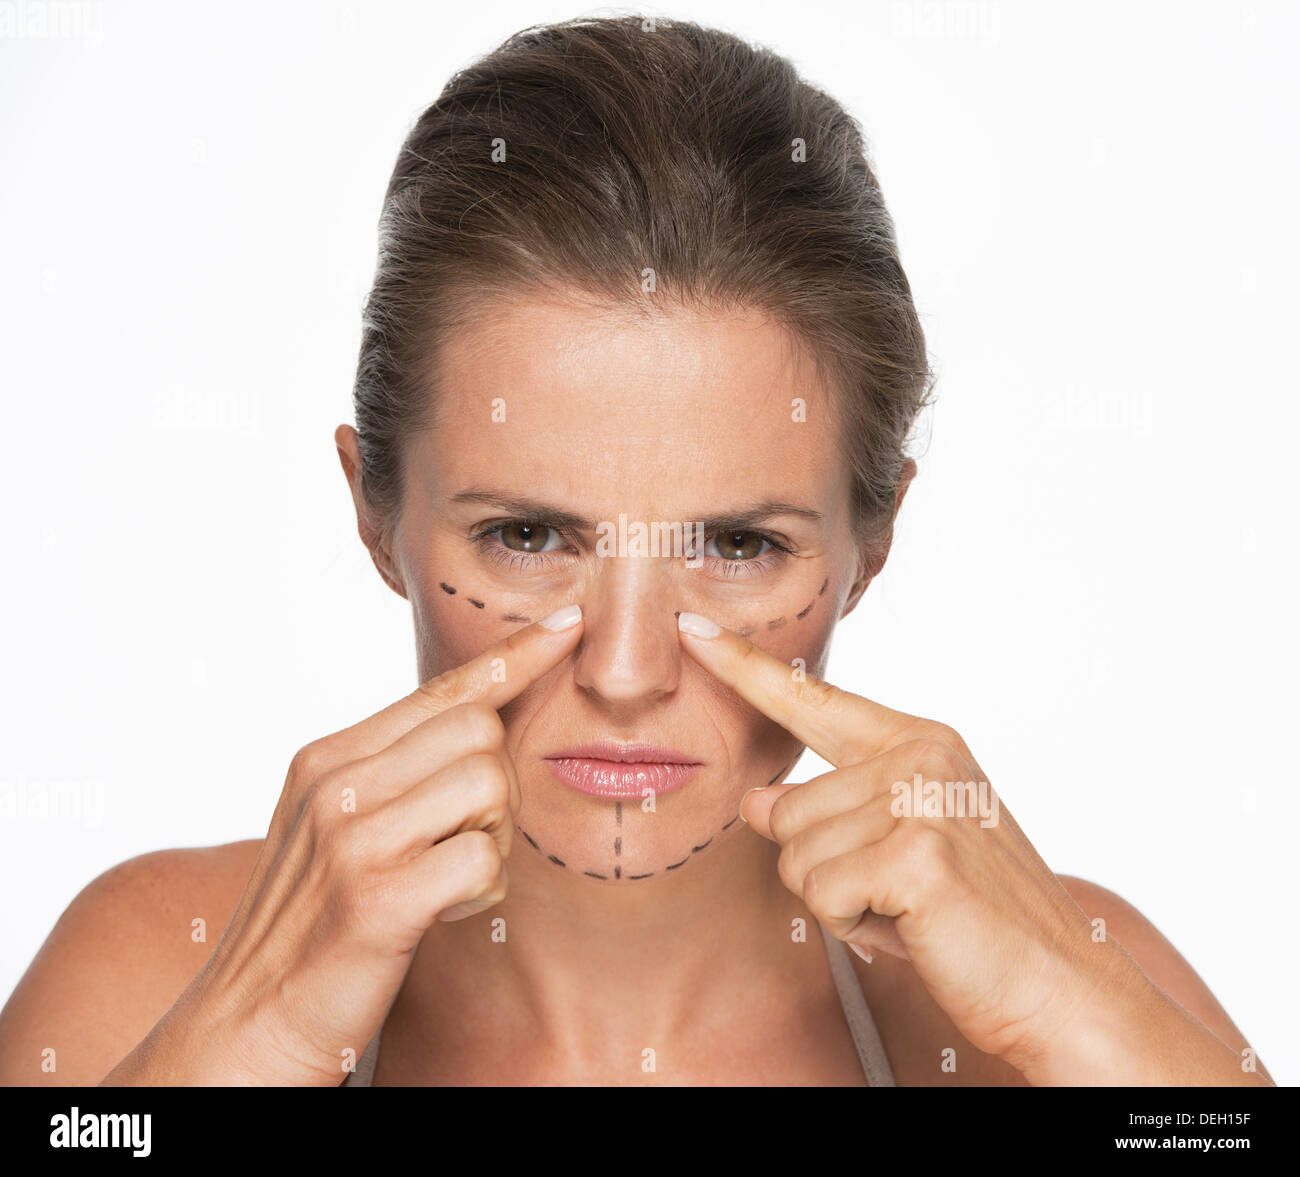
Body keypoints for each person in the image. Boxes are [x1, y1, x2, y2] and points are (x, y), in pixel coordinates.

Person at [0, 15, 1273, 1086]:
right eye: (528, 535)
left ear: (871, 539)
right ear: (374, 509)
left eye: (732, 543)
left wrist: (1088, 1017)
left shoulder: (1074, 990)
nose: (623, 669)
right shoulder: (153, 967)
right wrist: (250, 1034)